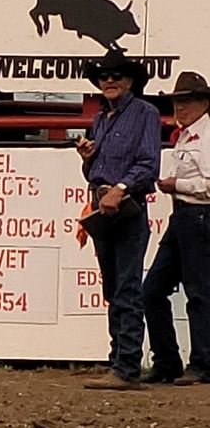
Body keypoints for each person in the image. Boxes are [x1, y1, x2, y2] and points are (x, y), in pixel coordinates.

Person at [78, 52, 162, 390]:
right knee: (114, 287)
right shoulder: (100, 119)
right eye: (104, 76)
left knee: (126, 285)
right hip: (105, 206)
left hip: (127, 207)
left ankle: (125, 366)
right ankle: (120, 361)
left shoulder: (145, 113)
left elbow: (148, 165)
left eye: (116, 76)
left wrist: (120, 188)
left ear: (129, 81)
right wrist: (88, 162)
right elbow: (96, 171)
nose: (109, 81)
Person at [145, 71, 210, 386]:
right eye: (177, 101)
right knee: (154, 289)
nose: (180, 107)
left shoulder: (205, 135)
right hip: (185, 215)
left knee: (198, 291)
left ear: (203, 103)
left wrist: (176, 184)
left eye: (186, 101)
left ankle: (200, 363)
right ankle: (170, 362)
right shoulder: (187, 134)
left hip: (199, 214)